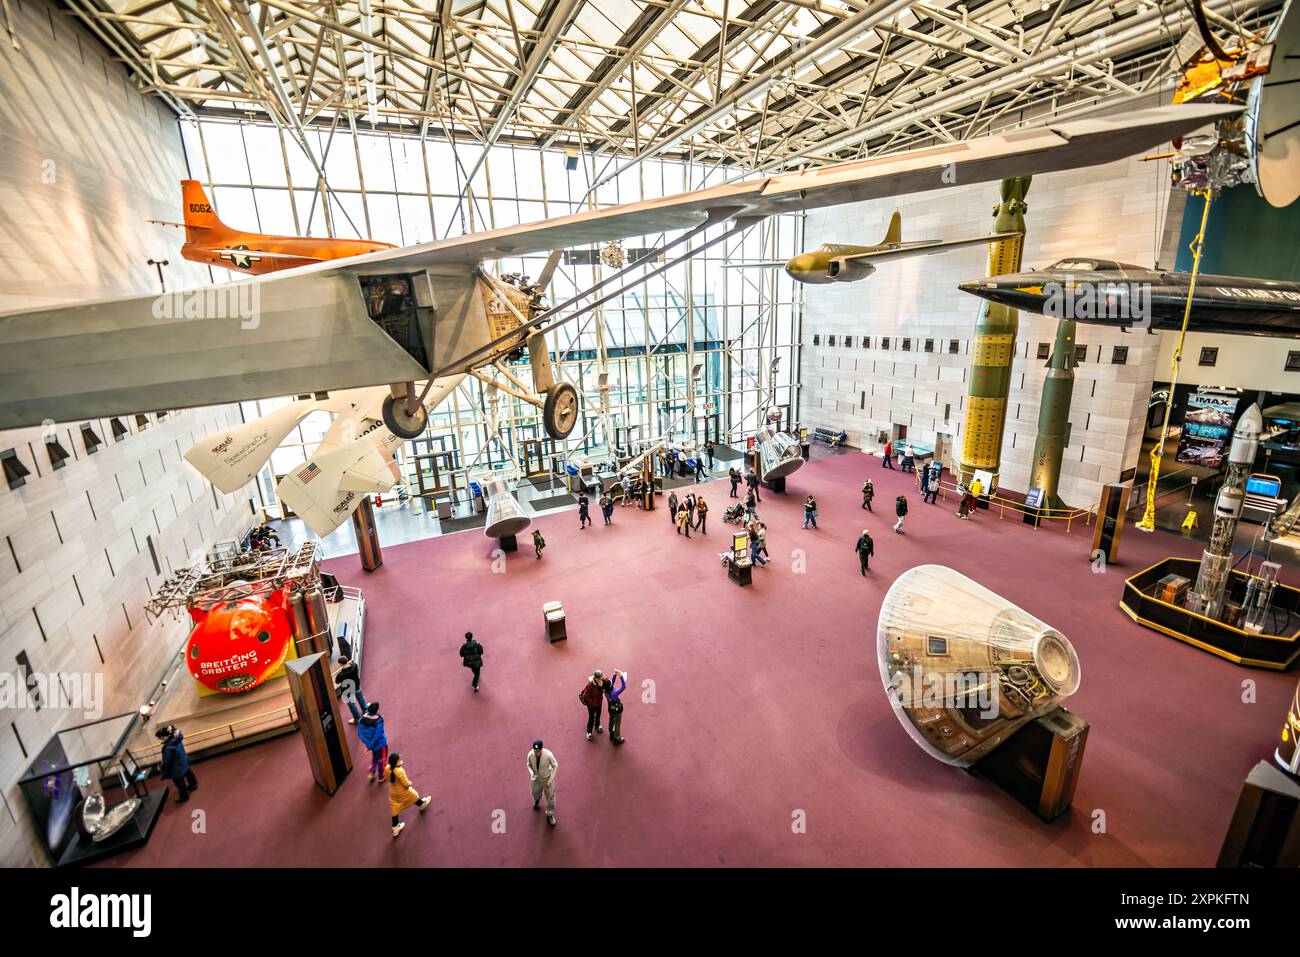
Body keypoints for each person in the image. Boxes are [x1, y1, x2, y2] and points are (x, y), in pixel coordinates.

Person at [387, 753, 431, 838]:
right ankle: (422, 805)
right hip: (403, 792)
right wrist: (410, 783)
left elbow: (386, 777)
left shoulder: (388, 768)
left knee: (395, 808)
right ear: (395, 762)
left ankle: (395, 828)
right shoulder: (400, 771)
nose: (400, 761)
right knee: (414, 796)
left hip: (393, 792)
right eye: (399, 760)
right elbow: (406, 784)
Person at [156, 724, 198, 804]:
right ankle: (193, 785)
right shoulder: (177, 739)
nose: (160, 739)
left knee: (180, 783)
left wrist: (162, 767)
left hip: (176, 769)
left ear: (164, 737)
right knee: (188, 773)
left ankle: (184, 797)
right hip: (183, 761)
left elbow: (167, 762)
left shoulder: (168, 747)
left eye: (160, 738)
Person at [526, 739, 558, 827]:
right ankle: (536, 799)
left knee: (551, 797)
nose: (536, 753)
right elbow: (528, 764)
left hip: (547, 779)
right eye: (535, 750)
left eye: (538, 751)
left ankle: (550, 814)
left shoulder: (548, 754)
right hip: (536, 778)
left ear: (542, 748)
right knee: (535, 792)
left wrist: (550, 779)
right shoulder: (530, 754)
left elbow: (555, 765)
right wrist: (531, 773)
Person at [357, 702, 389, 783]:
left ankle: (372, 772)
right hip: (381, 744)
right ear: (376, 710)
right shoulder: (379, 720)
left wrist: (368, 745)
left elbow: (360, 733)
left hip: (372, 746)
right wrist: (371, 744)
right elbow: (377, 735)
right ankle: (381, 776)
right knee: (382, 759)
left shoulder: (362, 719)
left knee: (375, 758)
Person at [334, 656, 368, 724]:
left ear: (340, 664)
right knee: (360, 697)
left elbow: (337, 681)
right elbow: (352, 665)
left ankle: (357, 719)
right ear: (347, 661)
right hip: (356, 685)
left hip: (348, 691)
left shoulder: (340, 675)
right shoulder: (354, 666)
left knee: (352, 705)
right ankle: (365, 710)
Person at [603, 671, 628, 745]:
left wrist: (614, 675)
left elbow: (610, 683)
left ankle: (611, 732)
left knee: (611, 719)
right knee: (617, 723)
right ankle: (617, 738)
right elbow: (623, 687)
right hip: (617, 710)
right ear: (610, 685)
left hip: (610, 708)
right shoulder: (615, 692)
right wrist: (621, 676)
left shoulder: (605, 690)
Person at [580, 670, 605, 740]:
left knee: (598, 715)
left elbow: (604, 688)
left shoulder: (601, 681)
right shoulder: (590, 685)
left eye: (601, 677)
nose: (601, 679)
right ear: (595, 678)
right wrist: (593, 703)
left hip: (599, 703)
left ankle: (597, 725)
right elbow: (586, 696)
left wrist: (601, 686)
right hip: (592, 706)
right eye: (599, 678)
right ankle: (589, 732)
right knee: (591, 718)